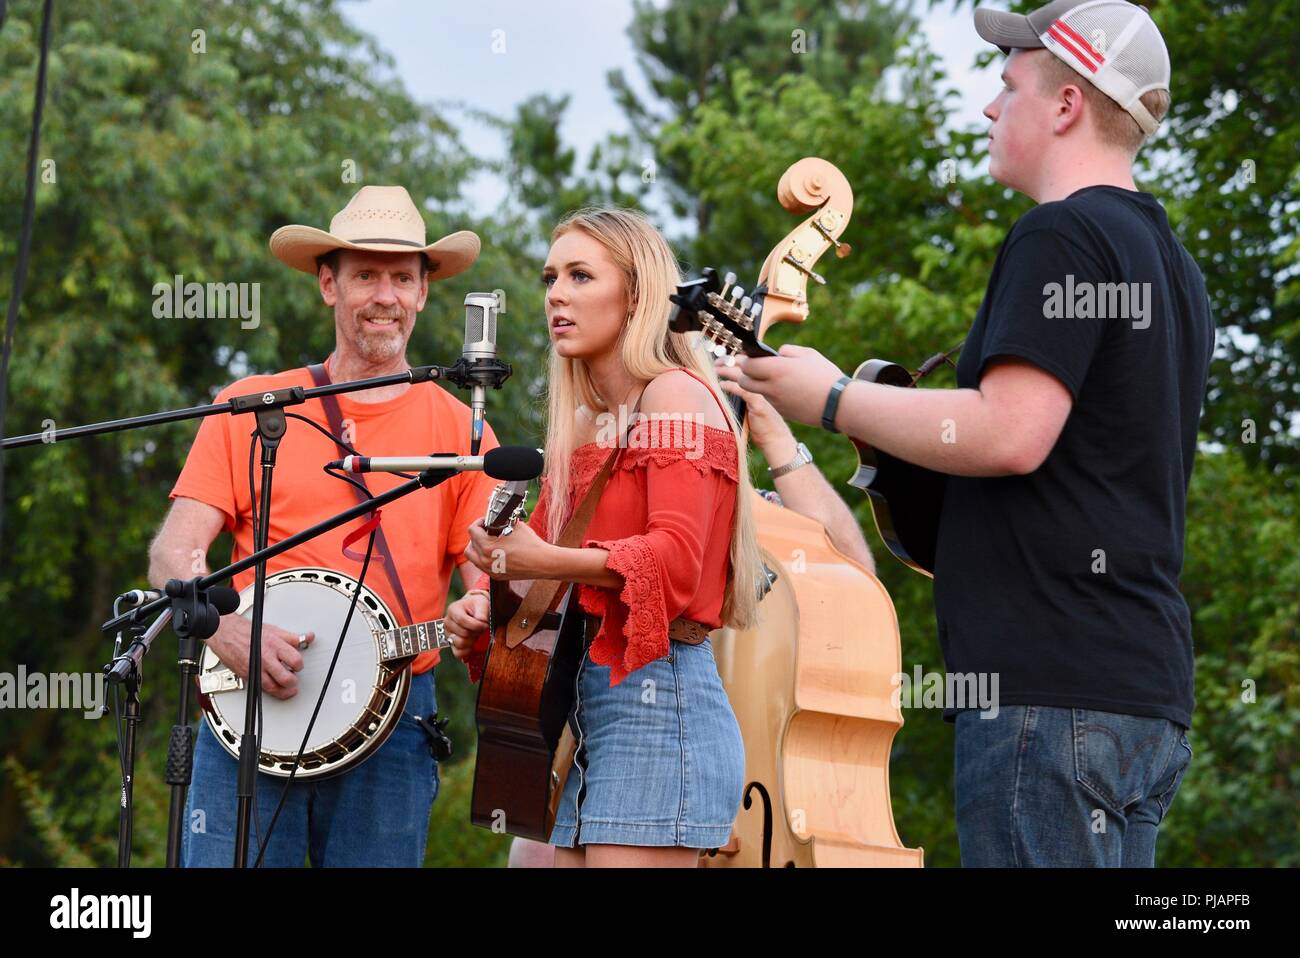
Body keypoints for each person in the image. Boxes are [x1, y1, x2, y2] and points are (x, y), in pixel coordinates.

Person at [720, 0, 1212, 867]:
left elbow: (1010, 432)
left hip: (1046, 699)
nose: (991, 107)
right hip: (1140, 692)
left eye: (1007, 84)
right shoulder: (1171, 265)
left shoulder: (1063, 231)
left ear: (1065, 106)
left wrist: (828, 396)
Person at [148, 185, 498, 867]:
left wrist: (483, 606)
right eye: (365, 275)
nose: (385, 296)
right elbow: (173, 554)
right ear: (327, 285)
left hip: (397, 724)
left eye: (402, 278)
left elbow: (487, 580)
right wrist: (224, 631)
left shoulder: (466, 432)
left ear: (425, 293)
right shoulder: (251, 407)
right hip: (250, 712)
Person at [444, 207, 765, 868]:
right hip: (587, 722)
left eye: (581, 275)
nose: (556, 293)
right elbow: (544, 592)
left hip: (659, 710)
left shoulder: (676, 395)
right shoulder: (590, 431)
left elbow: (675, 562)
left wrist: (539, 558)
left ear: (638, 296)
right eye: (550, 276)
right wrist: (489, 600)